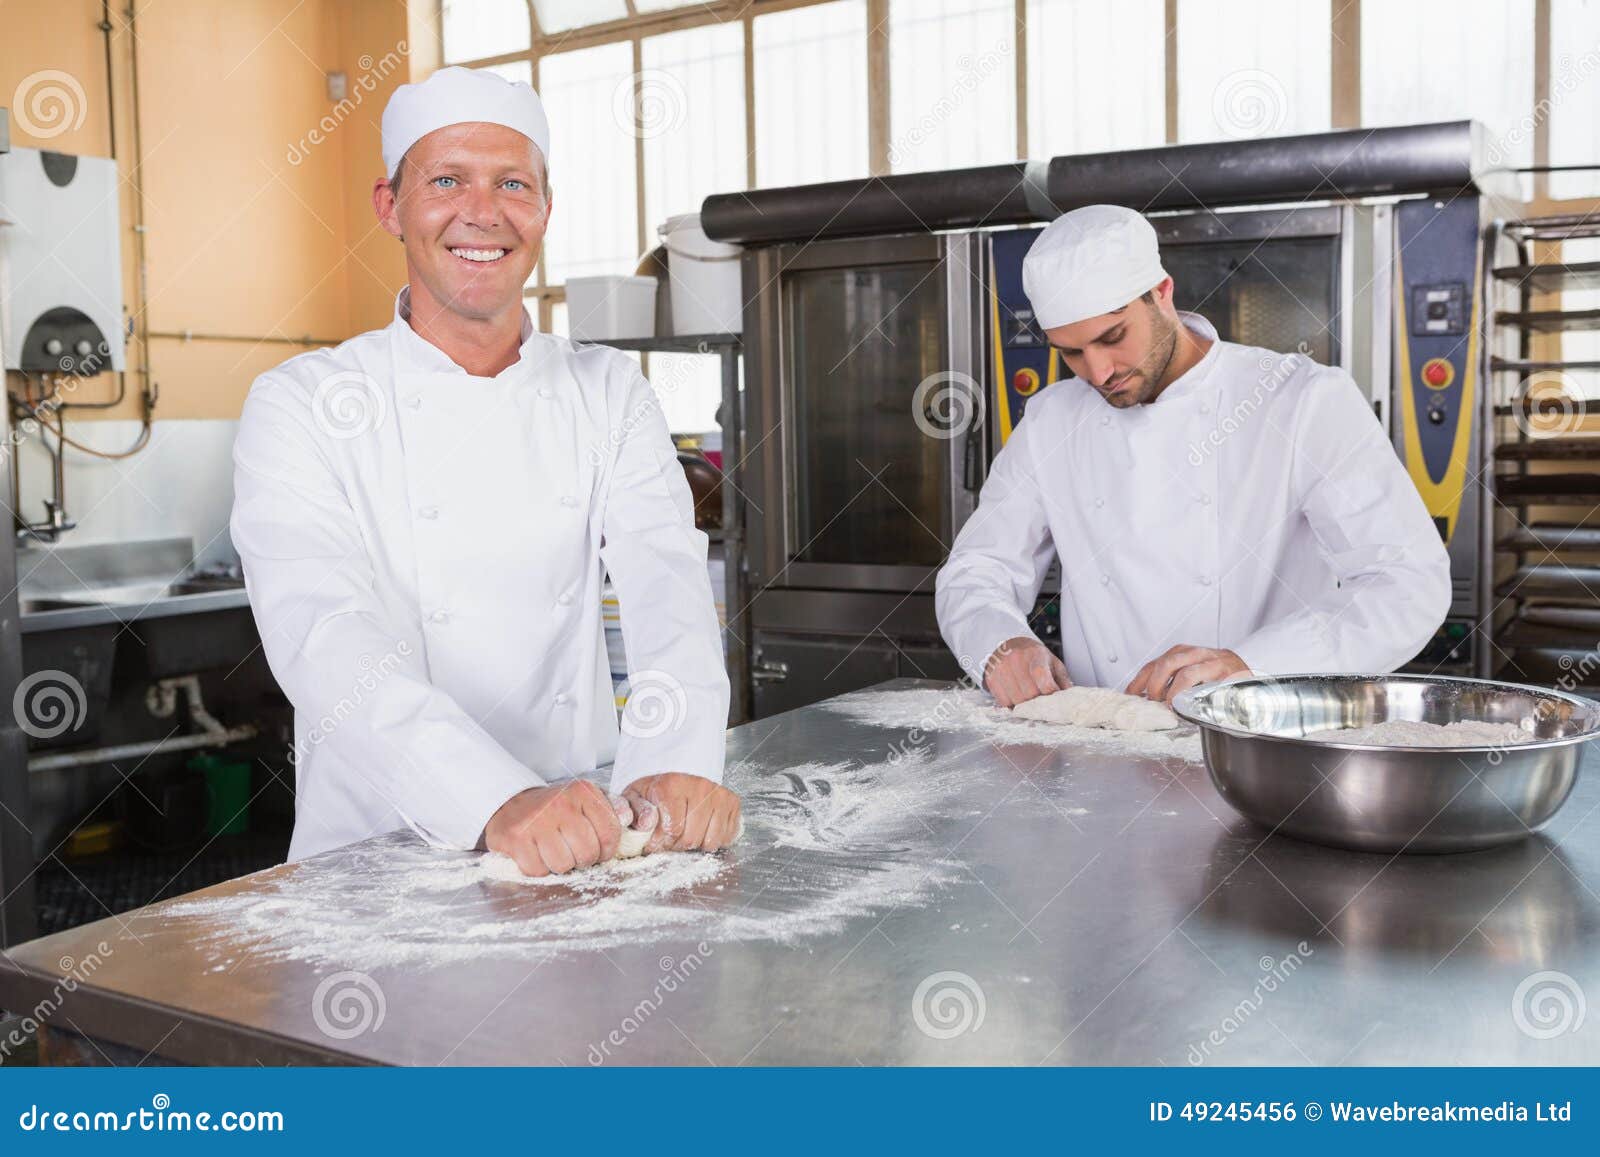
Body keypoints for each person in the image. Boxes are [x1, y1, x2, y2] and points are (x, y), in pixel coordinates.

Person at [231, 67, 738, 873]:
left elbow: (668, 596)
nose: (483, 212)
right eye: (445, 180)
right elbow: (322, 635)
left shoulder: (609, 392)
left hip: (582, 844)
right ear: (389, 206)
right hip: (373, 860)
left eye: (513, 183)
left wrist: (672, 767)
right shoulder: (302, 402)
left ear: (544, 208)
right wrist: (492, 799)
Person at [936, 204, 1451, 708]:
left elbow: (1407, 582)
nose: (1097, 373)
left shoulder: (1300, 399)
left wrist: (1251, 664)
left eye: (1112, 337)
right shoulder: (1050, 420)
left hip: (1262, 735)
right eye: (1070, 352)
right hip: (1102, 750)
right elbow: (977, 569)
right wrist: (999, 644)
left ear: (1162, 293)